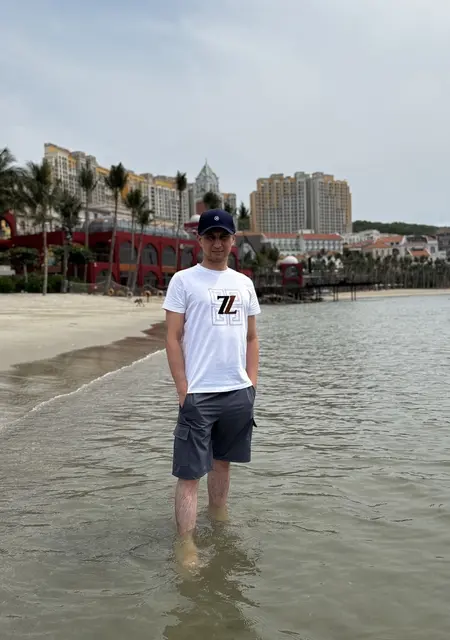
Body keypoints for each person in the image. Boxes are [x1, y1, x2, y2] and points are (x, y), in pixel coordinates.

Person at [163, 208, 261, 568]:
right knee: (189, 474)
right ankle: (186, 543)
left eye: (223, 237)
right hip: (199, 394)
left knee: (223, 466)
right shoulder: (184, 281)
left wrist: (251, 384)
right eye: (210, 237)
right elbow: (172, 337)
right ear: (200, 240)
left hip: (237, 393)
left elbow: (251, 337)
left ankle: (219, 521)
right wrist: (182, 388)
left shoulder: (244, 283)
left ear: (233, 240)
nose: (217, 243)